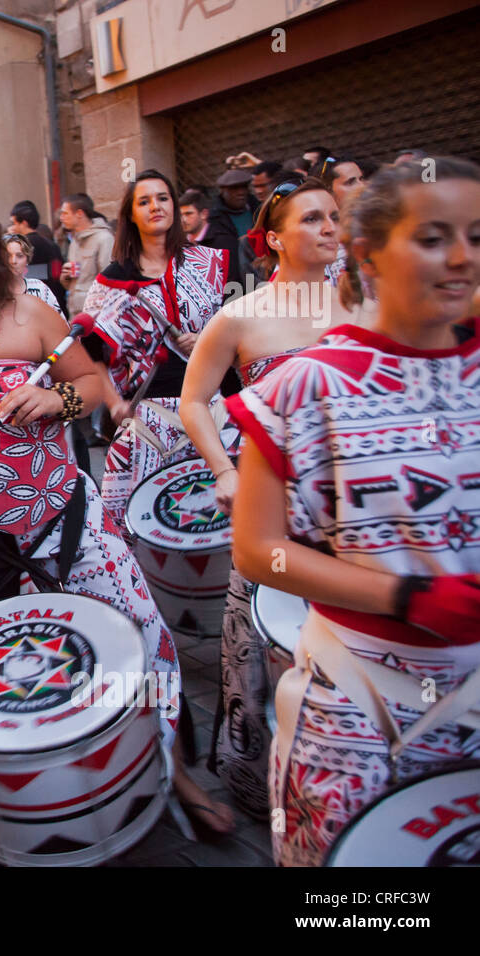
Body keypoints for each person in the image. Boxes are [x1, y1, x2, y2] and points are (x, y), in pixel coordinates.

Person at [0, 191, 229, 863]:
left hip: (64, 519)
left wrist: (56, 395)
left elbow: (92, 385)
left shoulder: (30, 314)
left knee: (139, 640)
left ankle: (173, 776)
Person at [226, 156, 480, 866]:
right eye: (432, 238)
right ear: (368, 254)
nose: (461, 257)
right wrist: (405, 594)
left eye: (477, 235)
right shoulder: (307, 386)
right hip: (356, 697)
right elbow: (258, 551)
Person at [179, 178, 363, 818]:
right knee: (262, 644)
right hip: (275, 508)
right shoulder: (241, 315)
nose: (329, 227)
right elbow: (192, 400)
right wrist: (225, 471)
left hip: (362, 510)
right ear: (275, 239)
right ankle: (262, 781)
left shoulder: (369, 304)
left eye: (334, 216)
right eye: (312, 218)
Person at [82, 168, 233, 528]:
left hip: (214, 409)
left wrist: (211, 338)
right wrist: (114, 403)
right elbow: (90, 354)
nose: (155, 207)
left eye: (163, 198)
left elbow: (243, 325)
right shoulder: (112, 281)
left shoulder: (209, 263)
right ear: (131, 215)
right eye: (144, 201)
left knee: (228, 519)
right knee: (135, 523)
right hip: (149, 417)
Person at [59, 193, 114, 316]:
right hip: (74, 312)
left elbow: (109, 281)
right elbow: (73, 283)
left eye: (65, 213)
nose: (61, 218)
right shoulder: (74, 241)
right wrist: (65, 277)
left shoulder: (104, 239)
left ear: (79, 214)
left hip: (96, 314)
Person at [317, 156, 367, 288]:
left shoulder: (383, 226)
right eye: (350, 182)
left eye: (361, 179)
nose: (362, 186)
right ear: (329, 191)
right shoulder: (320, 238)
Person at [8, 200, 67, 305]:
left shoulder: (20, 247)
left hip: (32, 304)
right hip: (55, 301)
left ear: (24, 223)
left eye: (14, 223)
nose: (12, 227)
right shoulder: (52, 245)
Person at [2, 233, 63, 311]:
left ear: (27, 260)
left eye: (20, 256)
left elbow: (59, 320)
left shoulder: (40, 288)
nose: (13, 261)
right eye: (8, 256)